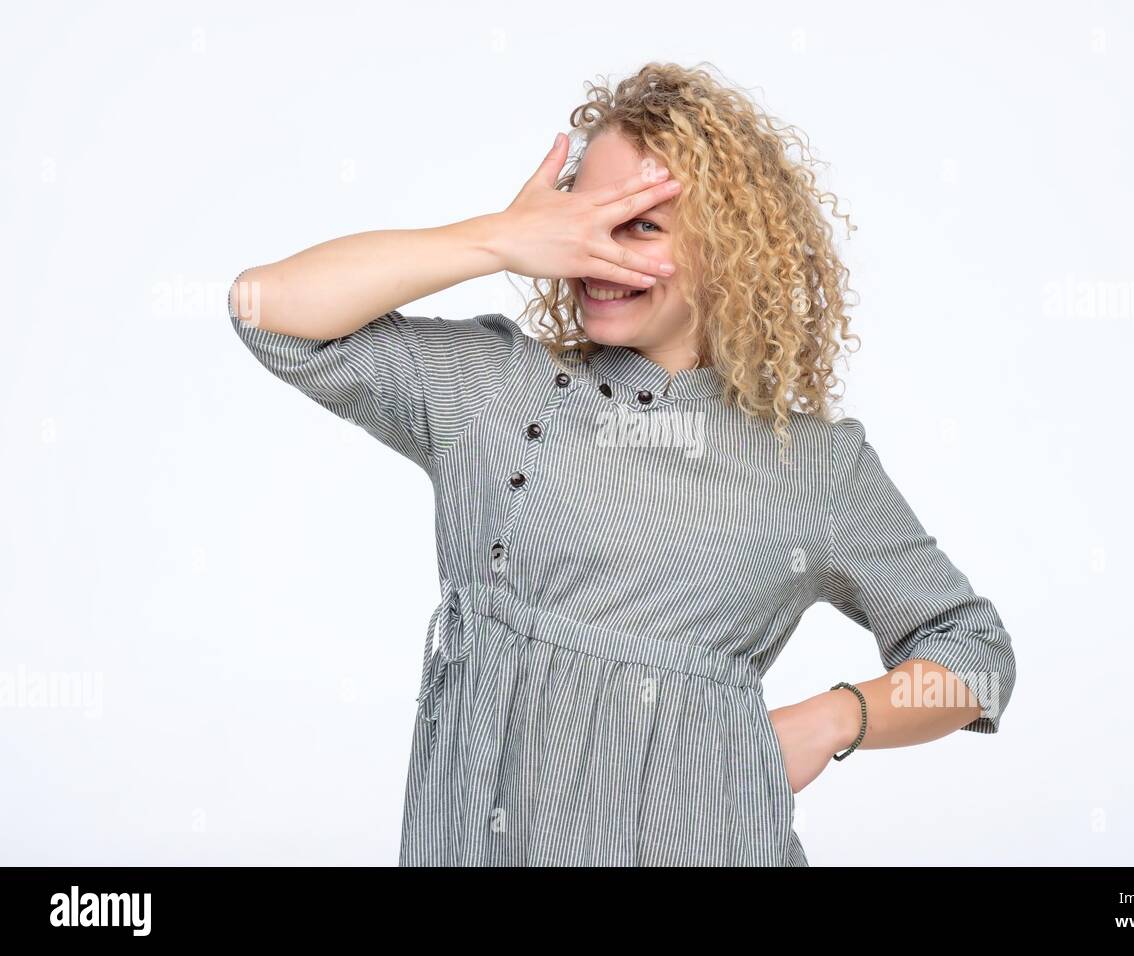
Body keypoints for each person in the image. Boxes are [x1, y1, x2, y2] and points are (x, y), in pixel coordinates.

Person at [227, 62, 1016, 867]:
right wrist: (493, 238)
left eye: (640, 224)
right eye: (581, 219)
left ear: (729, 246)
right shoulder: (495, 388)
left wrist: (829, 720)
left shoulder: (814, 465)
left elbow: (973, 655)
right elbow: (267, 310)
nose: (595, 253)